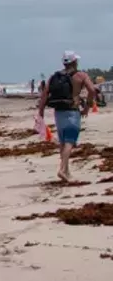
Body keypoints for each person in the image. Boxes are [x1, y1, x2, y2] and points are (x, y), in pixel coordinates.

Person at [38, 51, 98, 183]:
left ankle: (67, 171)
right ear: (74, 62)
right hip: (72, 111)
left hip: (58, 112)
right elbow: (92, 90)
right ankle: (63, 170)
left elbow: (45, 94)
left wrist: (41, 111)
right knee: (70, 141)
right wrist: (87, 107)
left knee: (63, 142)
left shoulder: (54, 76)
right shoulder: (80, 75)